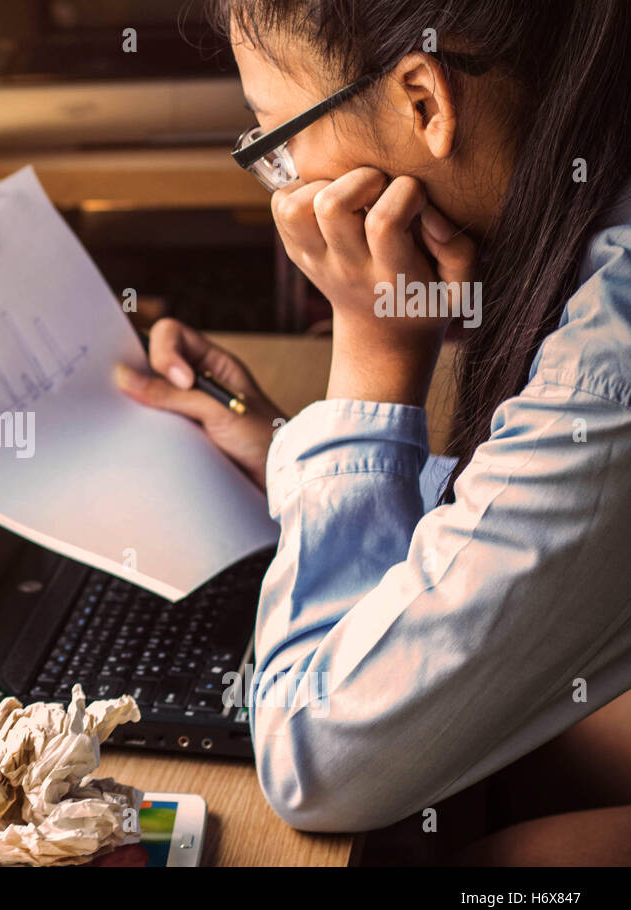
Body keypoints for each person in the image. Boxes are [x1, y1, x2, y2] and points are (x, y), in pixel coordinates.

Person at [115, 0, 631, 864]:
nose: (285, 183)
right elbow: (521, 545)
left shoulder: (607, 360)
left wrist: (373, 352)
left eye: (277, 137)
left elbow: (317, 764)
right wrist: (304, 446)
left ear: (424, 101)